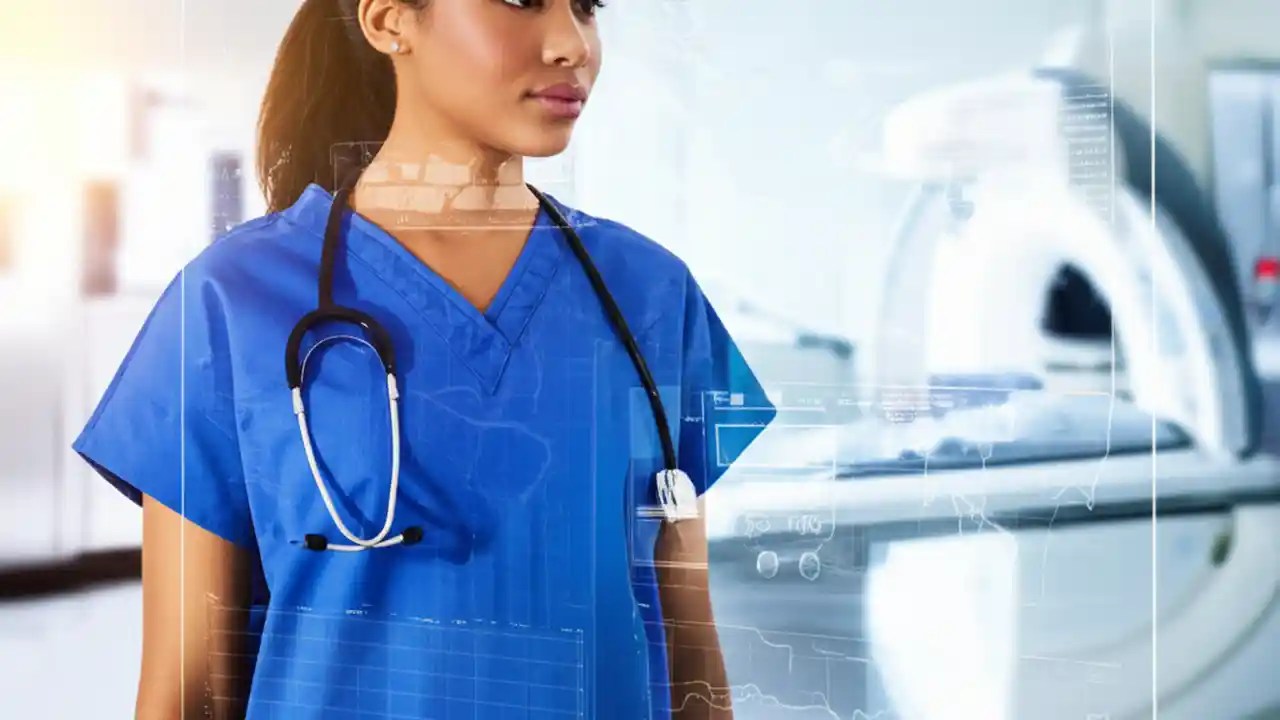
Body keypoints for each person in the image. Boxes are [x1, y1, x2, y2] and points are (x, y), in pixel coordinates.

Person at [72, 0, 776, 718]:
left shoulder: (647, 294)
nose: (572, 44)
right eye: (522, 2)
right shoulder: (230, 301)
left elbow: (689, 651)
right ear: (387, 21)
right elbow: (188, 691)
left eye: (587, 8)